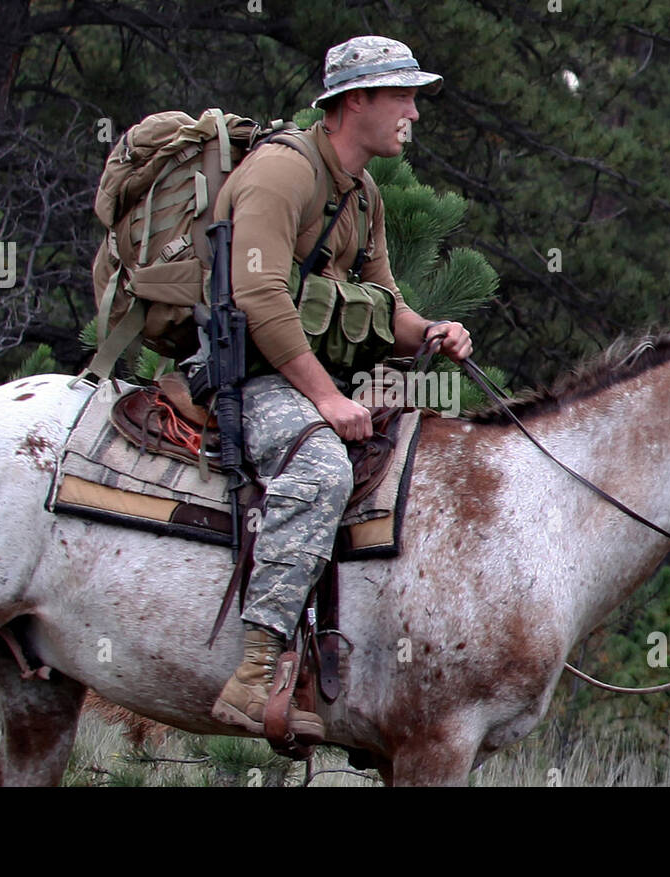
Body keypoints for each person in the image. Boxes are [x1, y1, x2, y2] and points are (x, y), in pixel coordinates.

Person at [207, 35, 472, 743]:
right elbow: (255, 292)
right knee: (322, 466)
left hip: (304, 380)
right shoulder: (281, 172)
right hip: (245, 378)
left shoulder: (364, 192)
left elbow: (386, 305)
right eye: (402, 95)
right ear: (355, 101)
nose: (414, 111)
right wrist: (326, 398)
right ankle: (254, 673)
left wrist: (431, 331)